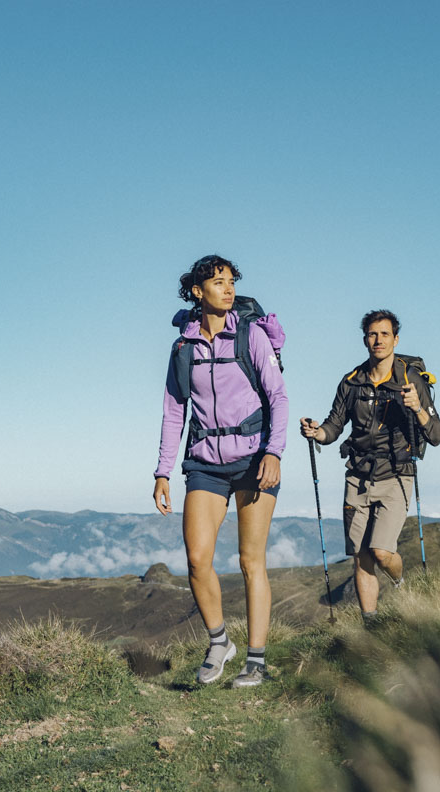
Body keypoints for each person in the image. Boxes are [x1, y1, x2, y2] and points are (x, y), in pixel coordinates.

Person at [154, 255, 288, 687]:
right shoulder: (183, 348)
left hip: (254, 460)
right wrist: (162, 471)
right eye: (217, 283)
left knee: (251, 560)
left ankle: (257, 663)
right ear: (198, 291)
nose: (227, 289)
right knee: (197, 559)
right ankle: (219, 642)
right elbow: (175, 411)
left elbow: (279, 398)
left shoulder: (251, 337)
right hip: (205, 463)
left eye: (231, 282)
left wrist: (274, 452)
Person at [300, 309, 440, 621]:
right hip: (358, 475)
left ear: (395, 339)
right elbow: (333, 427)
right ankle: (372, 626)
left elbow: (436, 434)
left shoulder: (411, 380)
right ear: (365, 339)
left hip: (397, 474)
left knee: (380, 552)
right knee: (361, 558)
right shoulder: (352, 383)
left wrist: (418, 408)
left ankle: (400, 581)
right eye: (372, 334)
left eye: (384, 334)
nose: (378, 340)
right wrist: (317, 432)